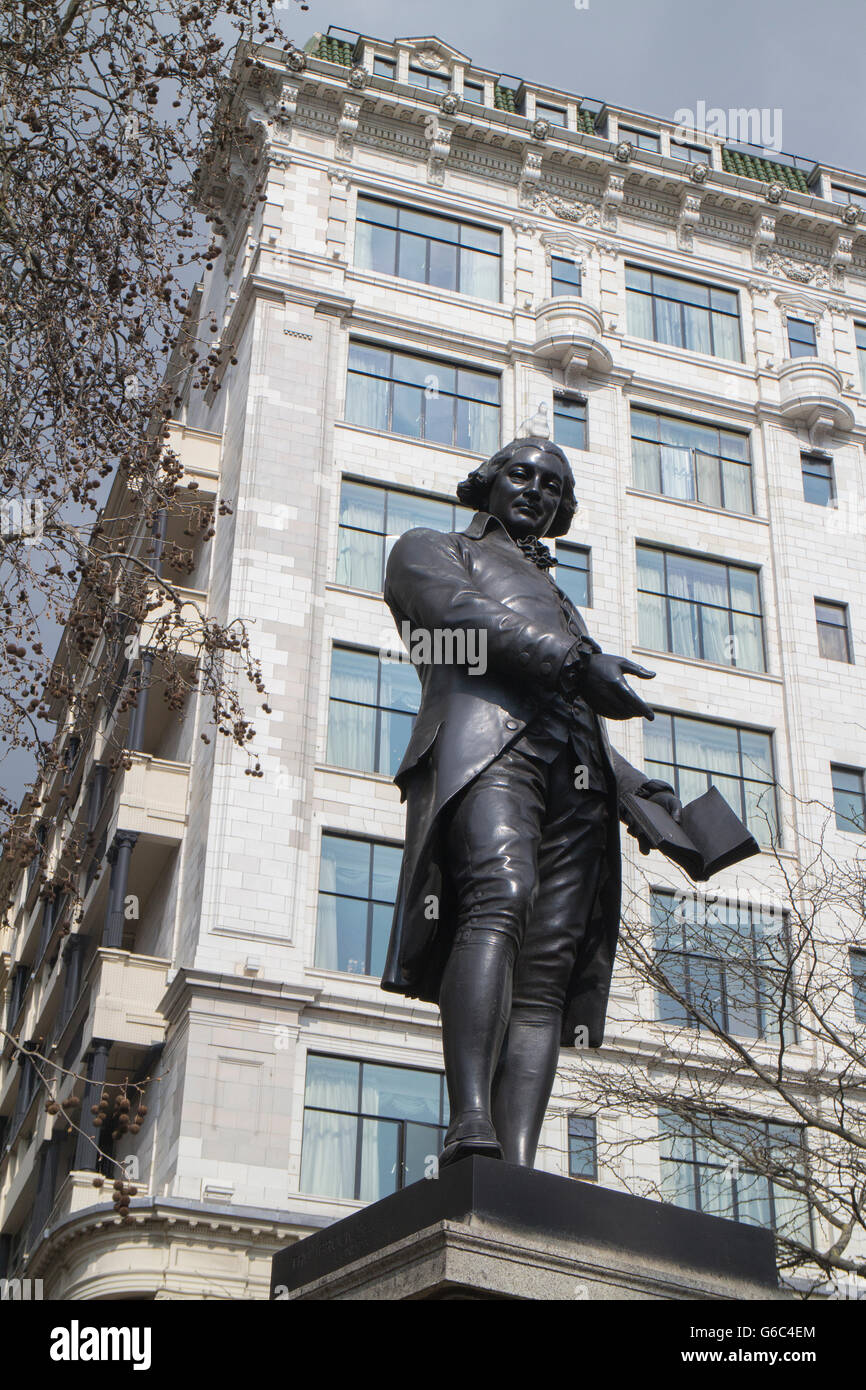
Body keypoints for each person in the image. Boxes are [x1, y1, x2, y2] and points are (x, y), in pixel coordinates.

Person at [380, 435, 682, 1169]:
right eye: (523, 474)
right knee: (500, 897)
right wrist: (578, 662)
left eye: (554, 485)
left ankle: (517, 1162)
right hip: (488, 750)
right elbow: (454, 621)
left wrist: (638, 793)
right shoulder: (430, 548)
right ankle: (470, 1123)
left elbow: (571, 705)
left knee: (548, 965)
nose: (537, 490)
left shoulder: (560, 599)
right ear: (487, 481)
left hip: (575, 773)